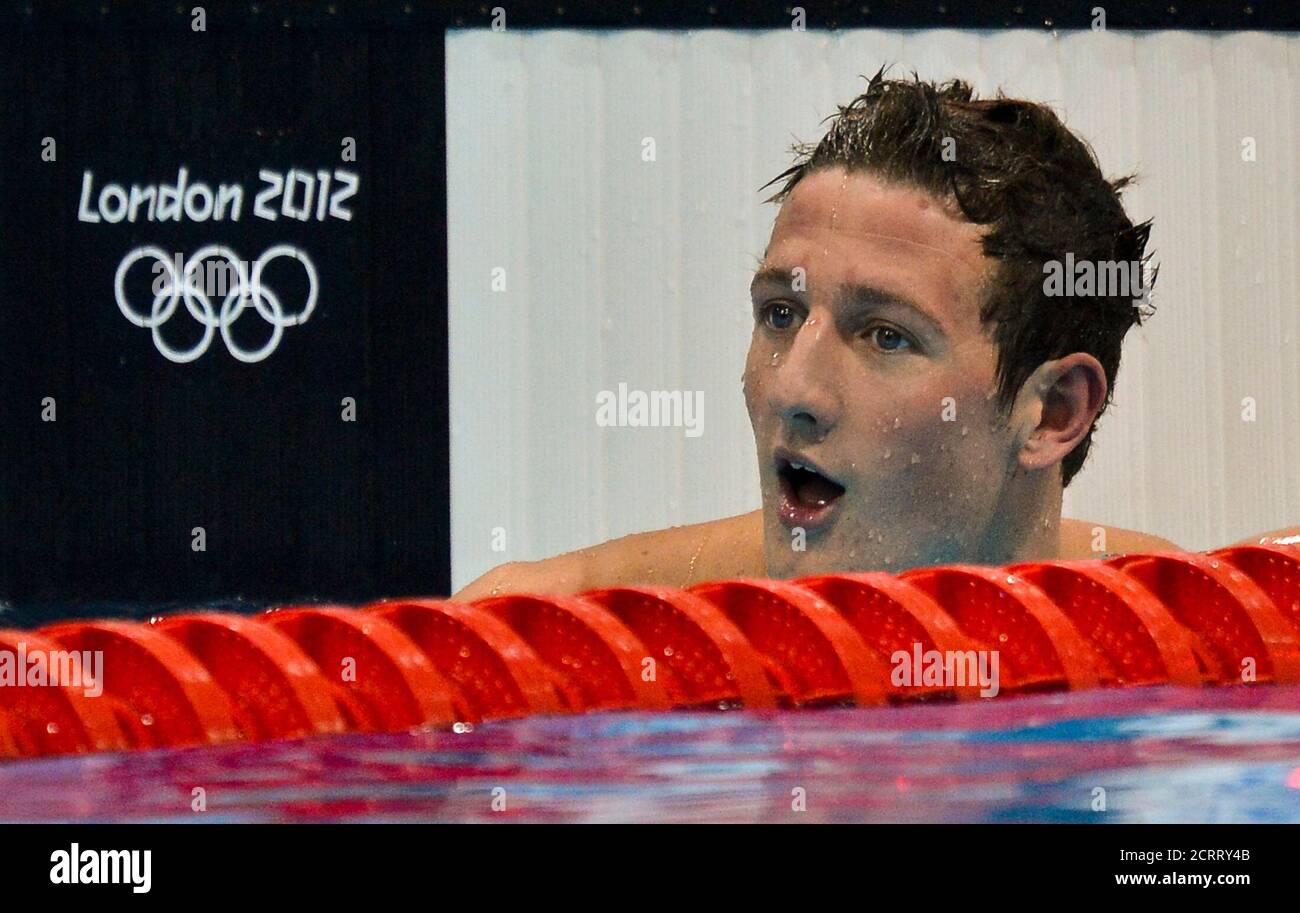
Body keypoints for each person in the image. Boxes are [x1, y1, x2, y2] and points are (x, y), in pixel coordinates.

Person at [456, 72, 1297, 601]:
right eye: (780, 314)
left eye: (886, 335)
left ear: (1051, 411)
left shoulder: (1198, 650)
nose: (793, 388)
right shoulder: (547, 632)